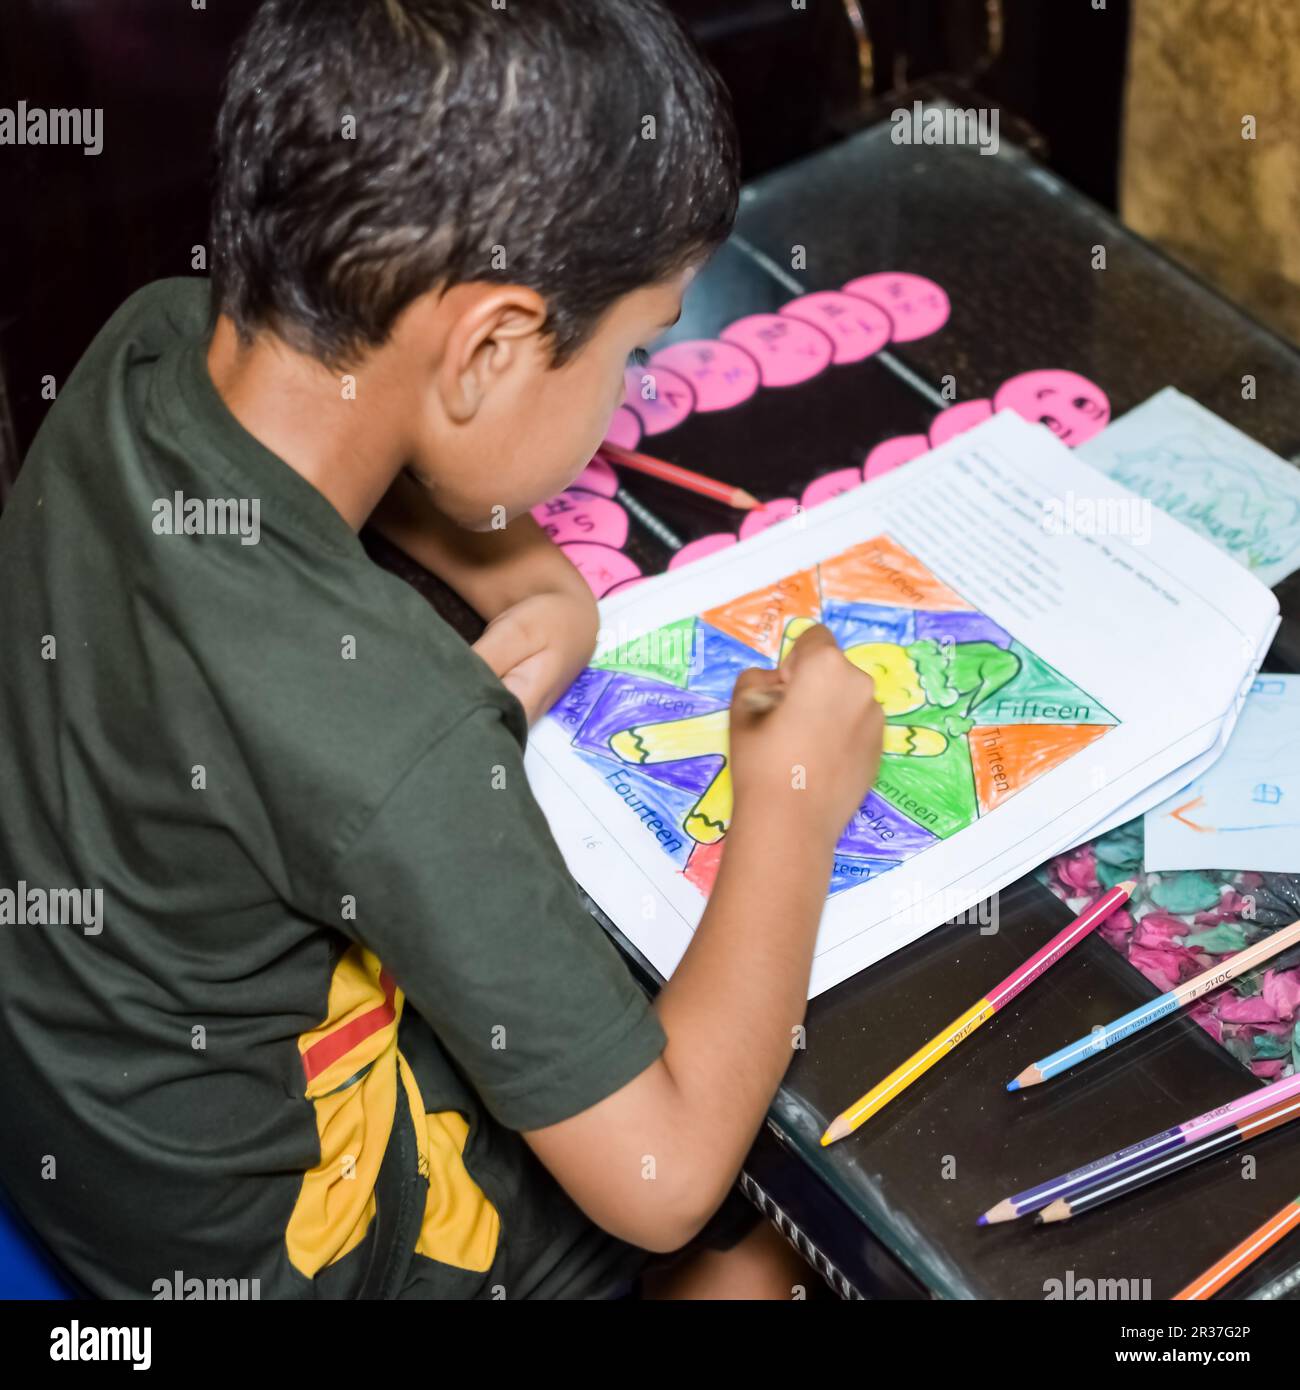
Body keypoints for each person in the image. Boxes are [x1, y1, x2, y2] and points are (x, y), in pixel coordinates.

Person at [0, 0, 883, 1299]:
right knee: (751, 1260)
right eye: (629, 353)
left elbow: (357, 427)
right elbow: (666, 1176)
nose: (628, 395)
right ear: (487, 346)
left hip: (94, 1121)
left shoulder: (146, 341)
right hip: (267, 1250)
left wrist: (526, 567)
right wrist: (794, 806)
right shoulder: (395, 730)